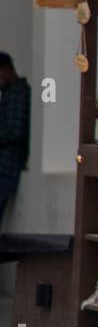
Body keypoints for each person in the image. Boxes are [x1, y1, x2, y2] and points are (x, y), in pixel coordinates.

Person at [0, 53, 30, 229]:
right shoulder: (9, 94)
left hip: (7, 167)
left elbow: (14, 131)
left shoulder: (18, 94)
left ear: (5, 70)